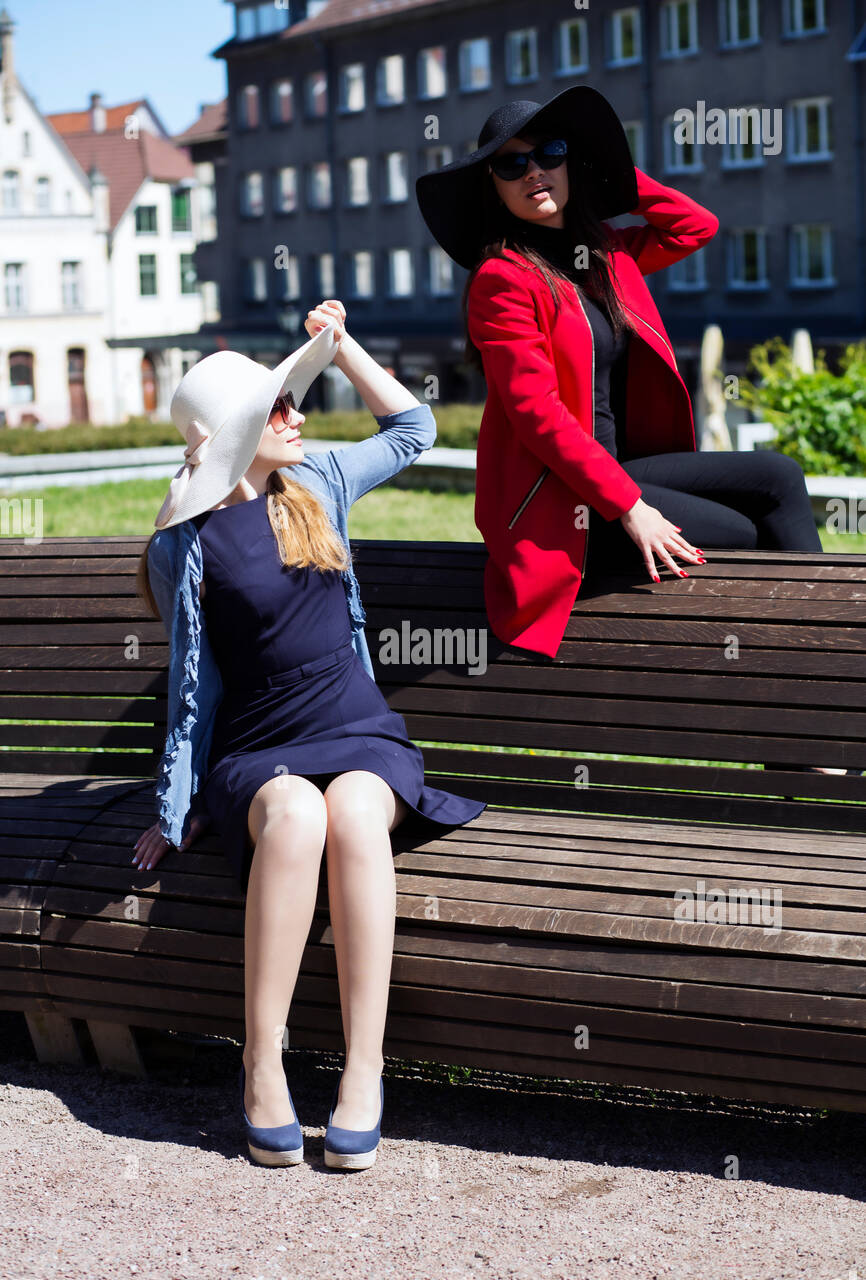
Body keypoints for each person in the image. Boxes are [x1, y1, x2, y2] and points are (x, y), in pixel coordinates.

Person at [132, 304, 487, 1169]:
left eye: (291, 400)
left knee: (358, 815)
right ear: (235, 435)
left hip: (360, 729)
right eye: (278, 408)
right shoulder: (182, 544)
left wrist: (343, 347)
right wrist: (173, 806)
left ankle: (364, 1075)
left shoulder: (320, 479)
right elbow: (188, 690)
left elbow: (413, 428)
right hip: (258, 751)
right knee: (296, 817)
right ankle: (262, 1066)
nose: (296, 414)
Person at [416, 83, 849, 777]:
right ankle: (810, 729)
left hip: (622, 472)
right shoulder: (503, 280)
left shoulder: (603, 252)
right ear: (492, 187)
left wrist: (611, 170)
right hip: (568, 502)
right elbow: (537, 415)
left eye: (549, 154)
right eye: (511, 165)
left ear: (569, 163)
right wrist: (631, 508)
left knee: (779, 476)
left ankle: (831, 698)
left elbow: (694, 226)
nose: (534, 173)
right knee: (744, 533)